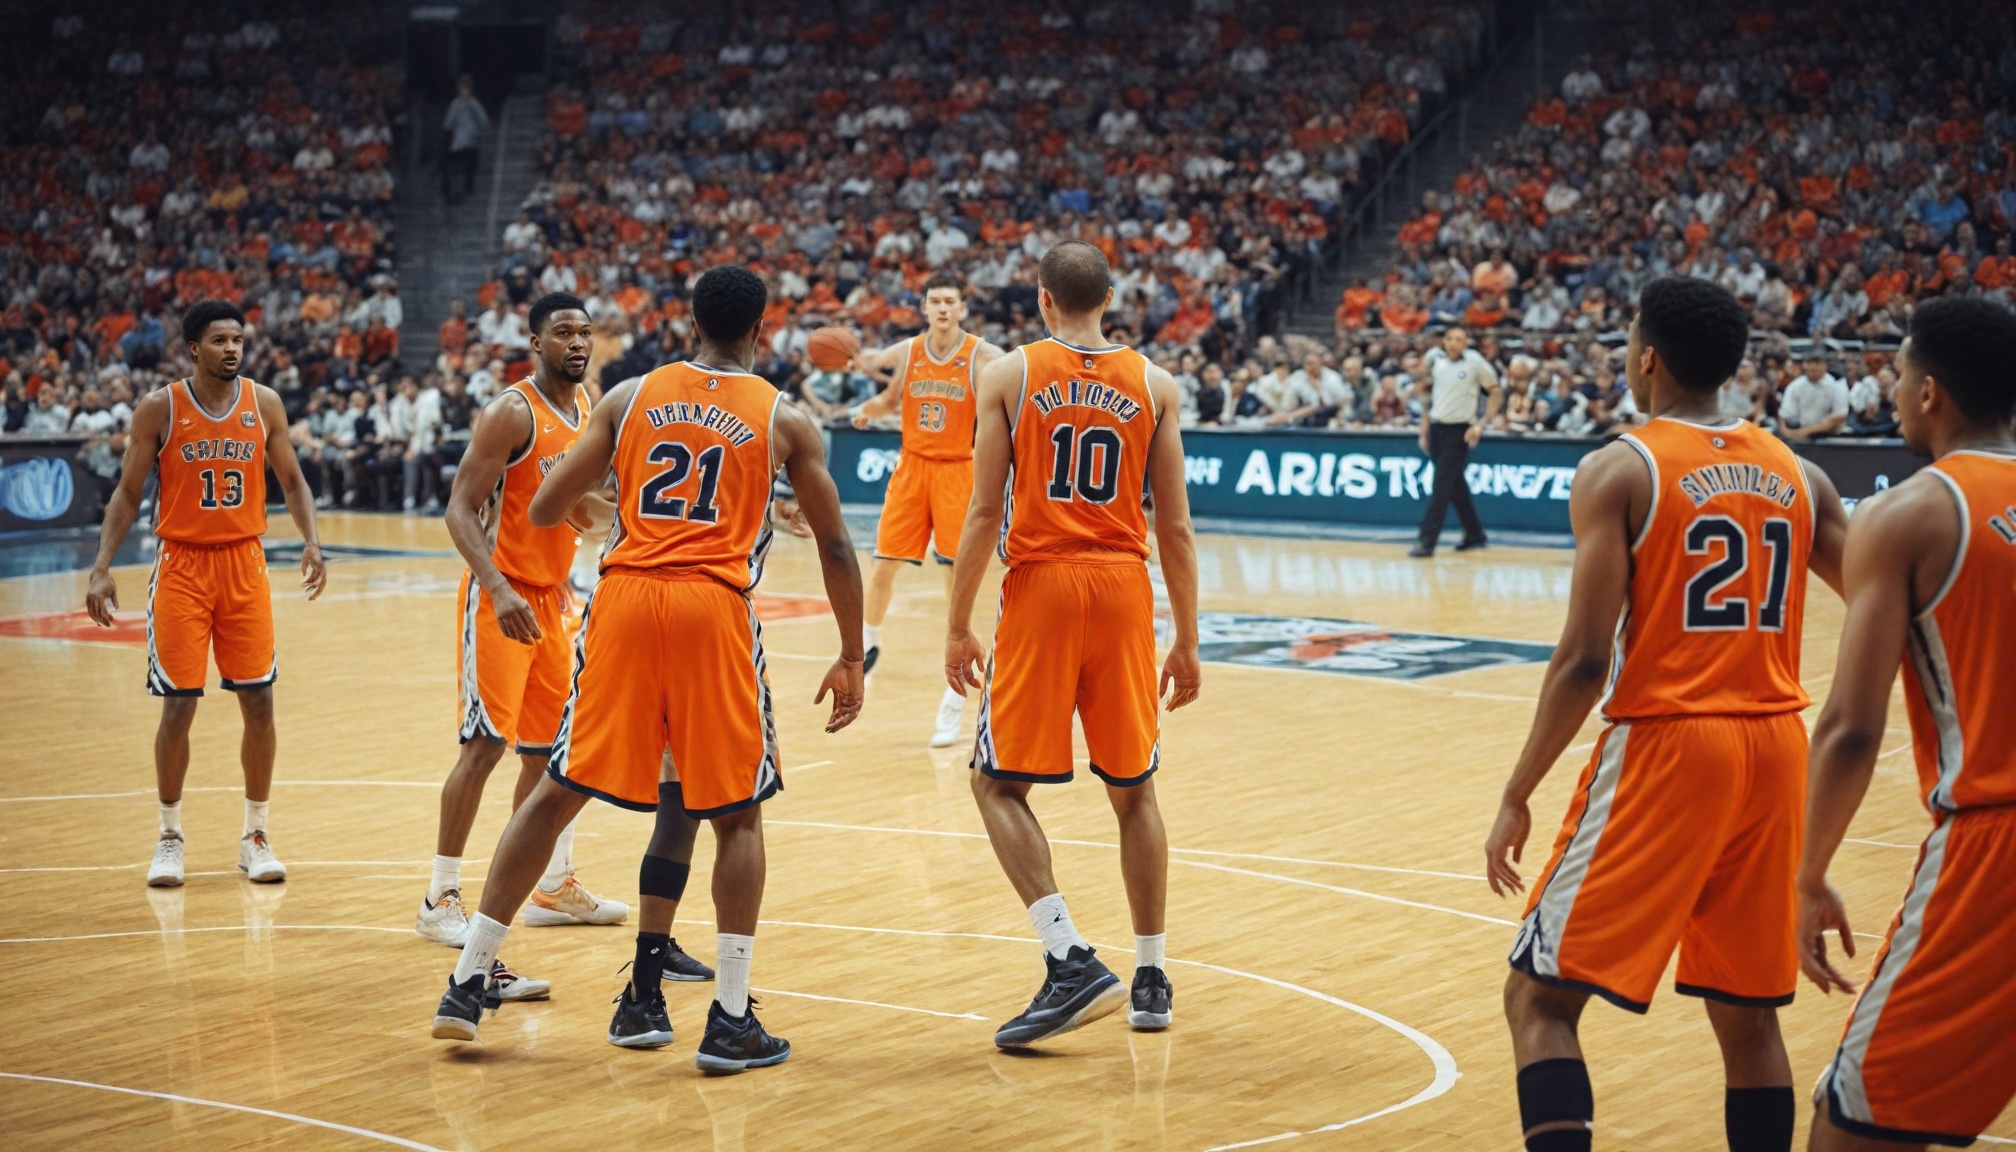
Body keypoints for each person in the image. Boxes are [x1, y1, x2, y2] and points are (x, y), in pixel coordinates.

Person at [427, 264, 865, 1073]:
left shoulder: (628, 397)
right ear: (760, 331)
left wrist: (632, 503)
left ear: (687, 323)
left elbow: (547, 507)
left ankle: (465, 981)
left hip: (623, 602)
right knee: (736, 812)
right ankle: (730, 1016)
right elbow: (837, 546)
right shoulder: (784, 419)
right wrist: (848, 652)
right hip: (711, 609)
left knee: (558, 787)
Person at [1483, 278, 1850, 1152]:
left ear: (1645, 358)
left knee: (1537, 999)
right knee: (1750, 1019)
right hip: (1775, 748)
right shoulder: (1802, 474)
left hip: (1671, 742)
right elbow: (1891, 600)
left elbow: (1582, 660)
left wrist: (1519, 789)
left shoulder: (1621, 466)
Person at [945, 241, 1202, 1049]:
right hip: (1124, 590)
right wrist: (1188, 638)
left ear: (1044, 300)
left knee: (995, 783)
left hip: (1046, 586)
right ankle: (1152, 973)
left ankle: (1069, 955)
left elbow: (985, 511)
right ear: (1111, 297)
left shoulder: (1009, 375)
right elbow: (1178, 528)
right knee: (1135, 790)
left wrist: (957, 623)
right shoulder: (1156, 385)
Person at [1796, 297, 2016, 1151]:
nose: (1890, 391)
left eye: (1897, 374)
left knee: (1855, 1121)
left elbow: (1853, 725)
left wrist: (1809, 873)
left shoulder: (1912, 511)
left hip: (1993, 848)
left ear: (1931, 393)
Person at [417, 294, 672, 977]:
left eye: (586, 332)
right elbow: (459, 509)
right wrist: (497, 588)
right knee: (483, 748)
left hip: (554, 600)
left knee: (552, 756)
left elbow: (585, 504)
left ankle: (551, 884)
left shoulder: (591, 408)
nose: (578, 342)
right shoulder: (511, 411)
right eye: (564, 332)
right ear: (535, 340)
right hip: (499, 598)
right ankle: (440, 896)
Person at [83, 300, 328, 887]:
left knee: (260, 702)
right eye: (219, 340)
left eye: (238, 339)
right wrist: (101, 567)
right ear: (193, 348)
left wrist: (313, 542)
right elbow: (126, 492)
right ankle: (170, 836)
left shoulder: (263, 403)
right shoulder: (159, 408)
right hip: (182, 567)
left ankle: (256, 834)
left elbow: (293, 480)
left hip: (245, 562)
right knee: (179, 704)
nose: (232, 348)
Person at [850, 274, 1004, 746]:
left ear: (961, 308)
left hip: (959, 472)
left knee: (954, 585)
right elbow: (889, 396)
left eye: (949, 301)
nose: (941, 308)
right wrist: (867, 411)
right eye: (934, 300)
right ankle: (868, 640)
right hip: (912, 469)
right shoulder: (911, 351)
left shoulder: (984, 356)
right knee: (882, 566)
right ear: (924, 307)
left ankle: (954, 698)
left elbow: (1010, 394)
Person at [1411, 326, 1502, 557]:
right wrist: (1424, 431)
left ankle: (1426, 541)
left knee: (1441, 487)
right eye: (1449, 338)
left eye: (1459, 339)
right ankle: (1475, 534)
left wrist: (1481, 424)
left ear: (1466, 342)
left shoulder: (1475, 362)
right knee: (1455, 485)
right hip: (1436, 428)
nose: (1453, 343)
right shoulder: (1434, 359)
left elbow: (1495, 391)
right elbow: (1427, 395)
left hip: (1459, 431)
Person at [442, 77, 490, 204]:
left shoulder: (475, 103)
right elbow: (448, 123)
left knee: (471, 166)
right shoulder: (455, 104)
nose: (464, 92)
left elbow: (484, 121)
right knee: (456, 168)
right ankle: (454, 192)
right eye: (462, 89)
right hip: (458, 142)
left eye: (466, 89)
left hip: (472, 141)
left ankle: (469, 187)